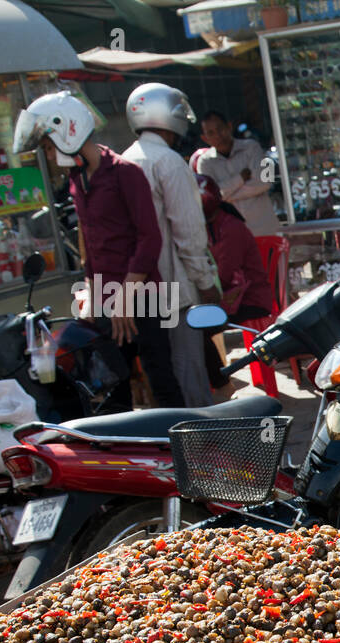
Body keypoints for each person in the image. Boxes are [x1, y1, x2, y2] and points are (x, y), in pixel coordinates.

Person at [13, 91, 184, 408]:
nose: (49, 156)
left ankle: (181, 452)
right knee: (111, 388)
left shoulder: (126, 173)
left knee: (161, 380)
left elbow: (150, 239)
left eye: (49, 147)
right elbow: (88, 243)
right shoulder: (78, 179)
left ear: (69, 131)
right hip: (105, 297)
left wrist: (124, 299)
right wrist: (92, 295)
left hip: (145, 294)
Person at [123, 83, 221, 408]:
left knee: (161, 378)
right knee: (189, 374)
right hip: (176, 290)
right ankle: (200, 444)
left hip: (140, 290)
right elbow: (189, 231)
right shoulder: (169, 162)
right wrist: (206, 283)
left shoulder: (125, 160)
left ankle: (172, 442)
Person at [197, 175, 272, 392]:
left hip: (250, 299)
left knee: (195, 329)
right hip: (231, 296)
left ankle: (221, 385)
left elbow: (224, 275)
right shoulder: (215, 224)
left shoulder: (230, 228)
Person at [198, 111, 282, 237]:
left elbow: (265, 182)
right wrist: (240, 178)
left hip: (265, 229)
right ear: (204, 138)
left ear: (229, 126)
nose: (218, 136)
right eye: (211, 133)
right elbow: (213, 197)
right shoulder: (204, 162)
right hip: (233, 235)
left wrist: (226, 194)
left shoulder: (253, 147)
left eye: (220, 129)